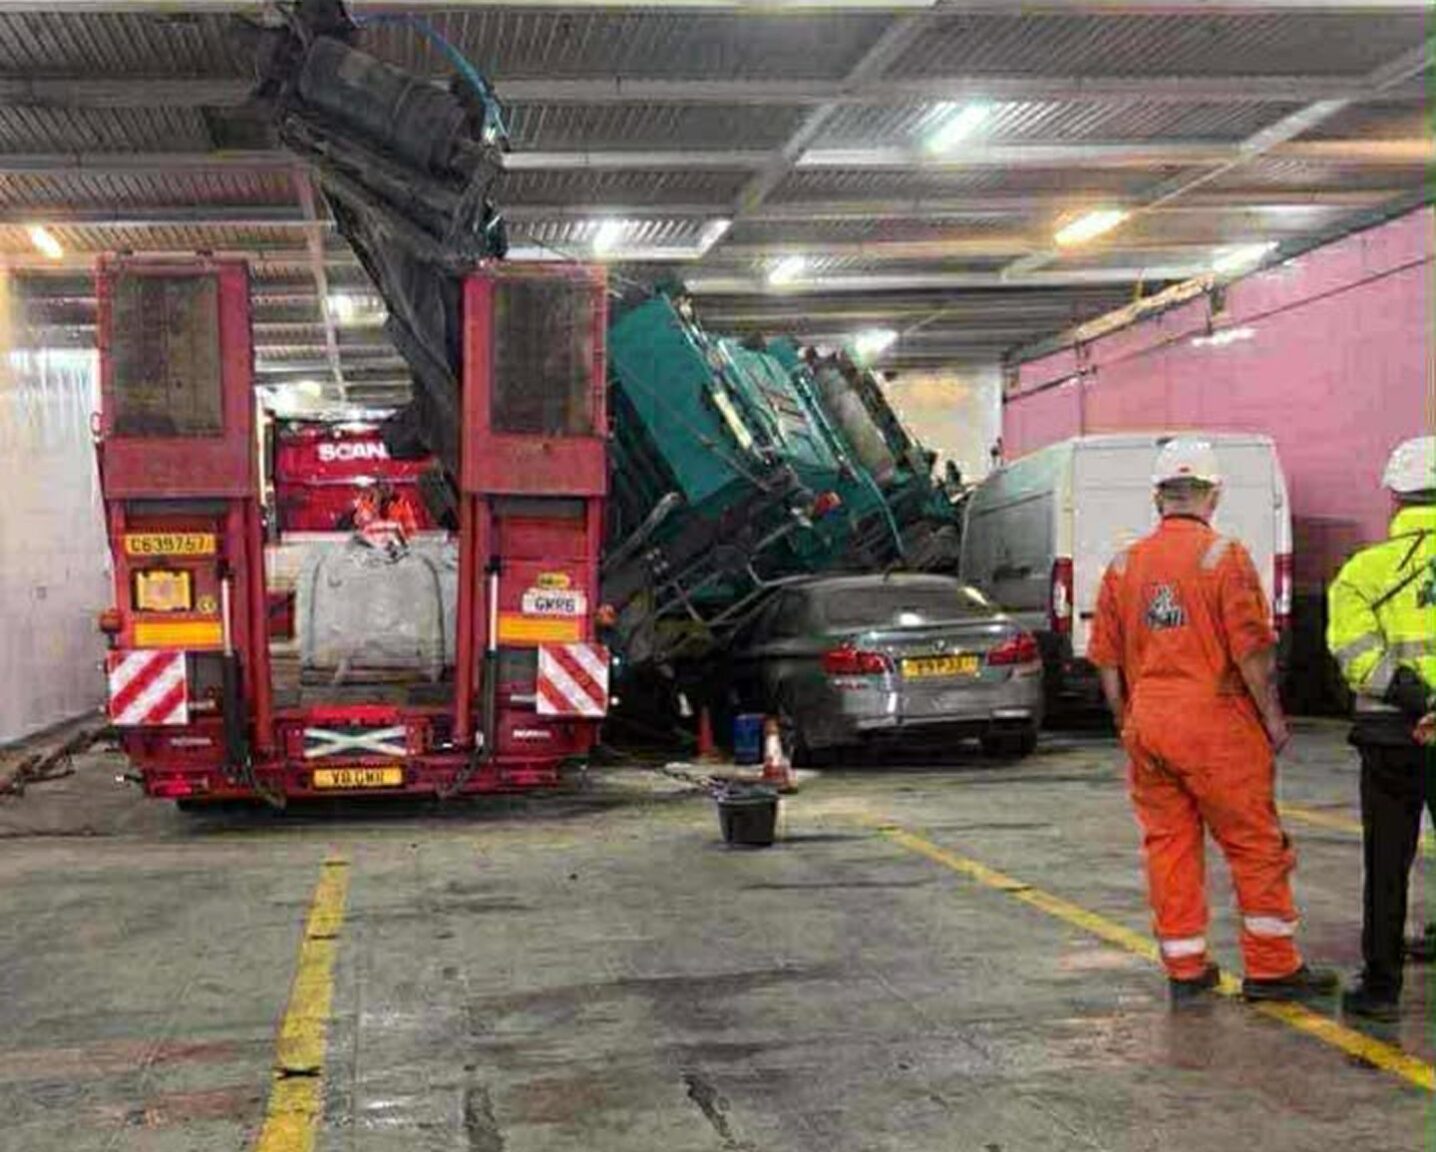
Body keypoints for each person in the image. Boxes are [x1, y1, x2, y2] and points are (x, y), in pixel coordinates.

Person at [1089, 438, 1338, 1005]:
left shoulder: (1124, 565)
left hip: (1149, 722)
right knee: (1255, 844)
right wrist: (1272, 719)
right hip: (1215, 726)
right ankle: (1272, 968)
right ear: (1213, 494)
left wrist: (1128, 722)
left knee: (1169, 846)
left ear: (1158, 497)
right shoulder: (1224, 558)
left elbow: (1105, 659)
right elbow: (1251, 652)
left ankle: (1186, 968)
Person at [1326, 435, 1436, 1020]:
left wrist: (1415, 697)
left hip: (1394, 737)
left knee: (1387, 862)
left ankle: (1382, 987)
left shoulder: (1364, 571)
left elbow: (1353, 651)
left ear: (1395, 498)